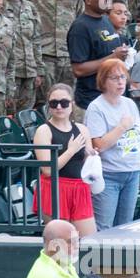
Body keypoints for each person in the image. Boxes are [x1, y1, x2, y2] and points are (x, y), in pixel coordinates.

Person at [85, 58, 140, 229]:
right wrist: (122, 127)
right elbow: (99, 145)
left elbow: (138, 134)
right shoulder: (96, 107)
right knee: (105, 228)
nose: (120, 82)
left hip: (132, 171)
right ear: (103, 81)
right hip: (109, 174)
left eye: (123, 77)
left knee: (125, 226)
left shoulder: (130, 104)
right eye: (114, 78)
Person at [33, 83, 97, 237]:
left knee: (89, 241)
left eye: (64, 102)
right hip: (55, 188)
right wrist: (71, 151)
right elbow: (48, 170)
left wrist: (91, 156)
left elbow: (86, 163)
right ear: (49, 106)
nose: (59, 107)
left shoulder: (82, 129)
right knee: (61, 244)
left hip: (79, 188)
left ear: (72, 105)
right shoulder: (43, 131)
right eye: (54, 103)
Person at [67, 0, 127, 114]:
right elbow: (78, 70)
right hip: (90, 103)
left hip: (111, 98)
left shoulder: (106, 20)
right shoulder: (80, 28)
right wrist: (113, 57)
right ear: (88, 0)